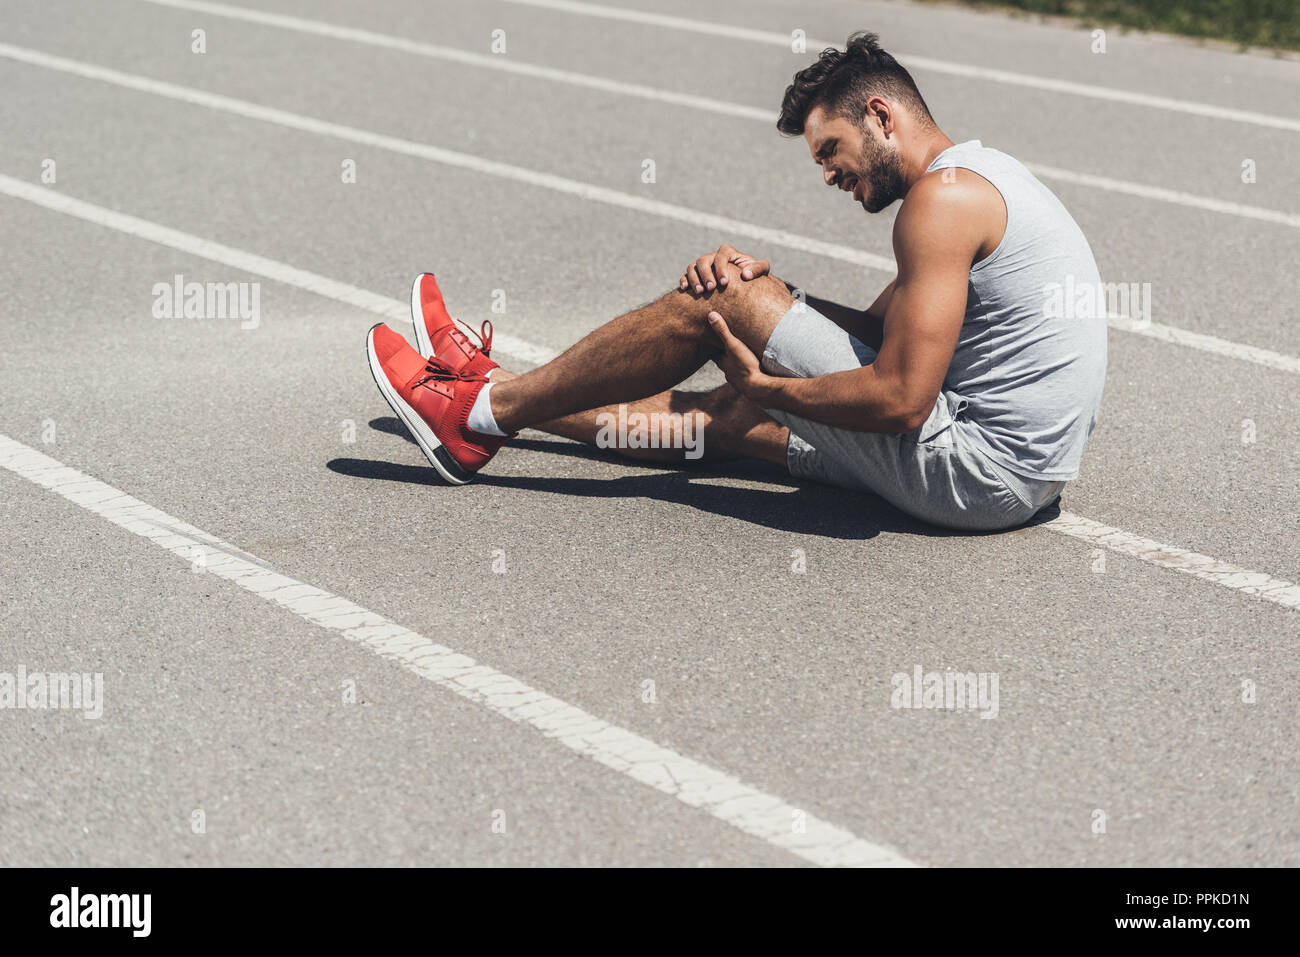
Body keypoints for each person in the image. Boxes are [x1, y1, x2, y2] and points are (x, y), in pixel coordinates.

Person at [365, 31, 1107, 532]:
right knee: (725, 415)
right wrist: (778, 299)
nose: (827, 175)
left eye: (831, 149)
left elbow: (902, 399)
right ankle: (497, 397)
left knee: (724, 312)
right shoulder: (981, 176)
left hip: (972, 472)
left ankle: (472, 413)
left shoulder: (939, 205)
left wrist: (770, 374)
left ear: (881, 115)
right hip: (1020, 479)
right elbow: (882, 333)